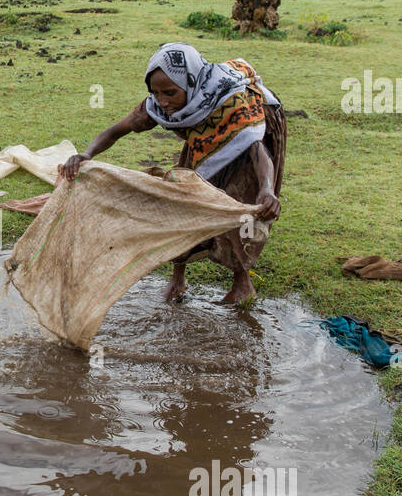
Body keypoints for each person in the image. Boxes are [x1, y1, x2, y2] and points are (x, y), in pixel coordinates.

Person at [57, 42, 286, 304]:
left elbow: (257, 152)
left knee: (239, 205)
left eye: (170, 93)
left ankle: (242, 283)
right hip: (201, 141)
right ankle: (178, 276)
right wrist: (86, 155)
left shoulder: (231, 101)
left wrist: (267, 189)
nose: (162, 101)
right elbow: (116, 130)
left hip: (249, 144)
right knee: (183, 199)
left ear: (191, 84)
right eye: (155, 93)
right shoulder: (160, 103)